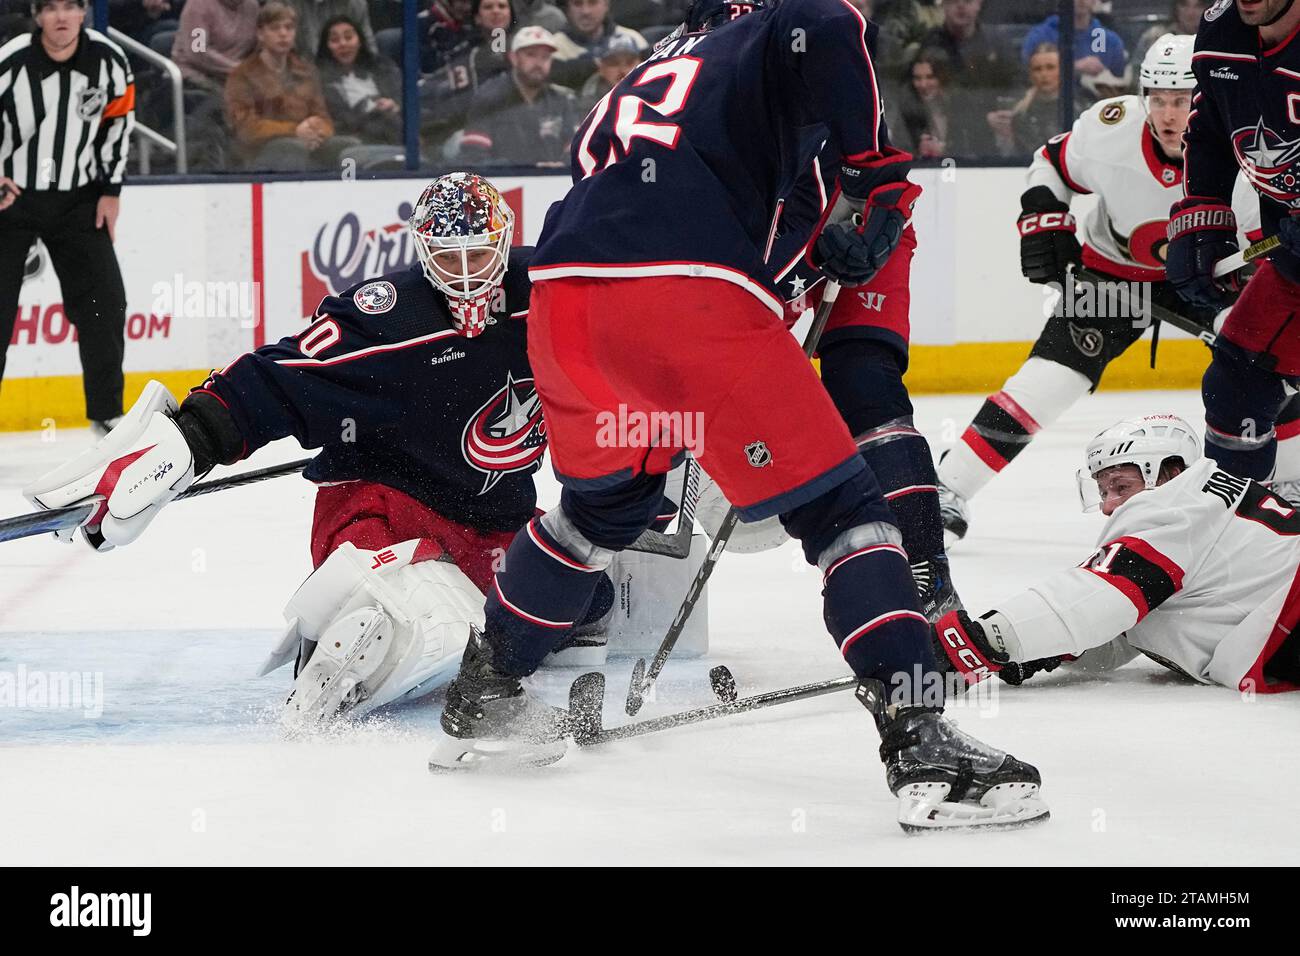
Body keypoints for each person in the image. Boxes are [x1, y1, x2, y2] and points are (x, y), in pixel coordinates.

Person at [428, 0, 1047, 832]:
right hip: (684, 297)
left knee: (597, 513)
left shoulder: (655, 69)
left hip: (567, 304)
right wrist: (876, 171)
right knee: (844, 512)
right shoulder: (779, 38)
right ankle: (920, 736)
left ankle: (487, 690)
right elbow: (832, 25)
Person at [20, 174, 637, 725]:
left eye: (480, 252)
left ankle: (422, 630)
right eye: (450, 256)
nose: (469, 270)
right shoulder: (395, 316)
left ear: (505, 242)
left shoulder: (553, 293)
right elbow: (280, 375)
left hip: (492, 520)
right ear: (424, 253)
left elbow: (643, 317)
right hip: (388, 505)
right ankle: (349, 635)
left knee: (580, 593)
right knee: (390, 598)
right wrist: (192, 439)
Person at [936, 36, 1265, 543]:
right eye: (1157, 98)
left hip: (1210, 274)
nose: (1168, 114)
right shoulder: (1109, 130)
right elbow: (1050, 162)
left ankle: (1282, 489)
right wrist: (1043, 221)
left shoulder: (1250, 145)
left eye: (1182, 99)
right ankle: (949, 485)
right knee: (1051, 378)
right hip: (1114, 275)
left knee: (1268, 372)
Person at [932, 414, 1300, 695]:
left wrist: (979, 640)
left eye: (1121, 487)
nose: (1109, 506)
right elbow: (1128, 618)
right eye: (1103, 491)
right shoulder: (1208, 506)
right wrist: (1051, 646)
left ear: (1169, 474)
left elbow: (1099, 596)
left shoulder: (1176, 503)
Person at [1168, 0, 1300, 500]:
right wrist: (1204, 214)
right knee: (1236, 385)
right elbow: (1208, 131)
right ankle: (1238, 535)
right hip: (1291, 259)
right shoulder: (1221, 29)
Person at [0, 0, 133, 434]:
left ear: (83, 13)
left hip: (78, 199)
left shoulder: (109, 62)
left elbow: (118, 124)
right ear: (38, 15)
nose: (61, 16)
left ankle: (106, 413)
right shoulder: (11, 60)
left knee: (106, 305)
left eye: (70, 6)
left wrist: (110, 190)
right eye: (51, 7)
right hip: (11, 203)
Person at [225, 2, 358, 171]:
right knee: (292, 148)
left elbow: (324, 118)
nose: (283, 34)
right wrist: (295, 130)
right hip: (259, 151)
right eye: (275, 28)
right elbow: (246, 130)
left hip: (305, 141)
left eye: (289, 28)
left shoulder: (307, 71)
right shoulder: (241, 75)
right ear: (260, 33)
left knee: (350, 147)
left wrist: (317, 130)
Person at [458, 26, 580, 165]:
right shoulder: (488, 97)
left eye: (545, 57)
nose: (538, 63)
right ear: (514, 58)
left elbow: (577, 152)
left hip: (555, 183)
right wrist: (528, 170)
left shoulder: (562, 99)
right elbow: (474, 157)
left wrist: (561, 167)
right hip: (504, 183)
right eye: (531, 54)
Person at [316, 14, 403, 158]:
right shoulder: (319, 78)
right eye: (335, 40)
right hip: (358, 140)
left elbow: (404, 98)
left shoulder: (383, 67)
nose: (343, 44)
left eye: (349, 37)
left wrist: (394, 105)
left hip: (395, 130)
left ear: (360, 41)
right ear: (327, 46)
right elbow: (339, 122)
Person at [1021, 0, 1129, 104]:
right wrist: (1074, 67)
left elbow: (1122, 84)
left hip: (1097, 109)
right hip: (1053, 110)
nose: (1081, 0)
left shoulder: (1110, 40)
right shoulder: (1039, 36)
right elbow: (1024, 79)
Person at [986, 42, 1070, 157]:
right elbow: (1008, 155)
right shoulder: (1016, 109)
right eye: (1037, 69)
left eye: (1050, 67)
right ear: (1030, 74)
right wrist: (1002, 135)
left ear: (1062, 71)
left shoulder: (1080, 106)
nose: (1044, 74)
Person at [549, 0, 646, 89]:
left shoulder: (634, 39)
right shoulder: (553, 46)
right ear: (568, 8)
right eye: (577, 4)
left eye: (593, 3)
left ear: (606, 5)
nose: (585, 11)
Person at [171, 0, 259, 94]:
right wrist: (237, 69)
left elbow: (258, 43)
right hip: (197, 73)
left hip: (237, 75)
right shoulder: (198, 5)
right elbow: (197, 51)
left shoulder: (252, 5)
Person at [576, 31, 642, 115]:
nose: (623, 70)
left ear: (641, 63)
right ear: (601, 68)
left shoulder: (656, 90)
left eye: (629, 63)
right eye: (614, 63)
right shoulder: (587, 101)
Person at [284, 0, 375, 59]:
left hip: (349, 71)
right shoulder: (285, 4)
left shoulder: (355, 3)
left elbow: (368, 45)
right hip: (305, 74)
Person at [1138, 0, 1208, 58]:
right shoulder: (1155, 36)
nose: (1190, 13)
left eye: (1198, 6)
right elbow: (1135, 68)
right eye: (1184, 5)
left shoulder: (1214, 39)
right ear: (1176, 8)